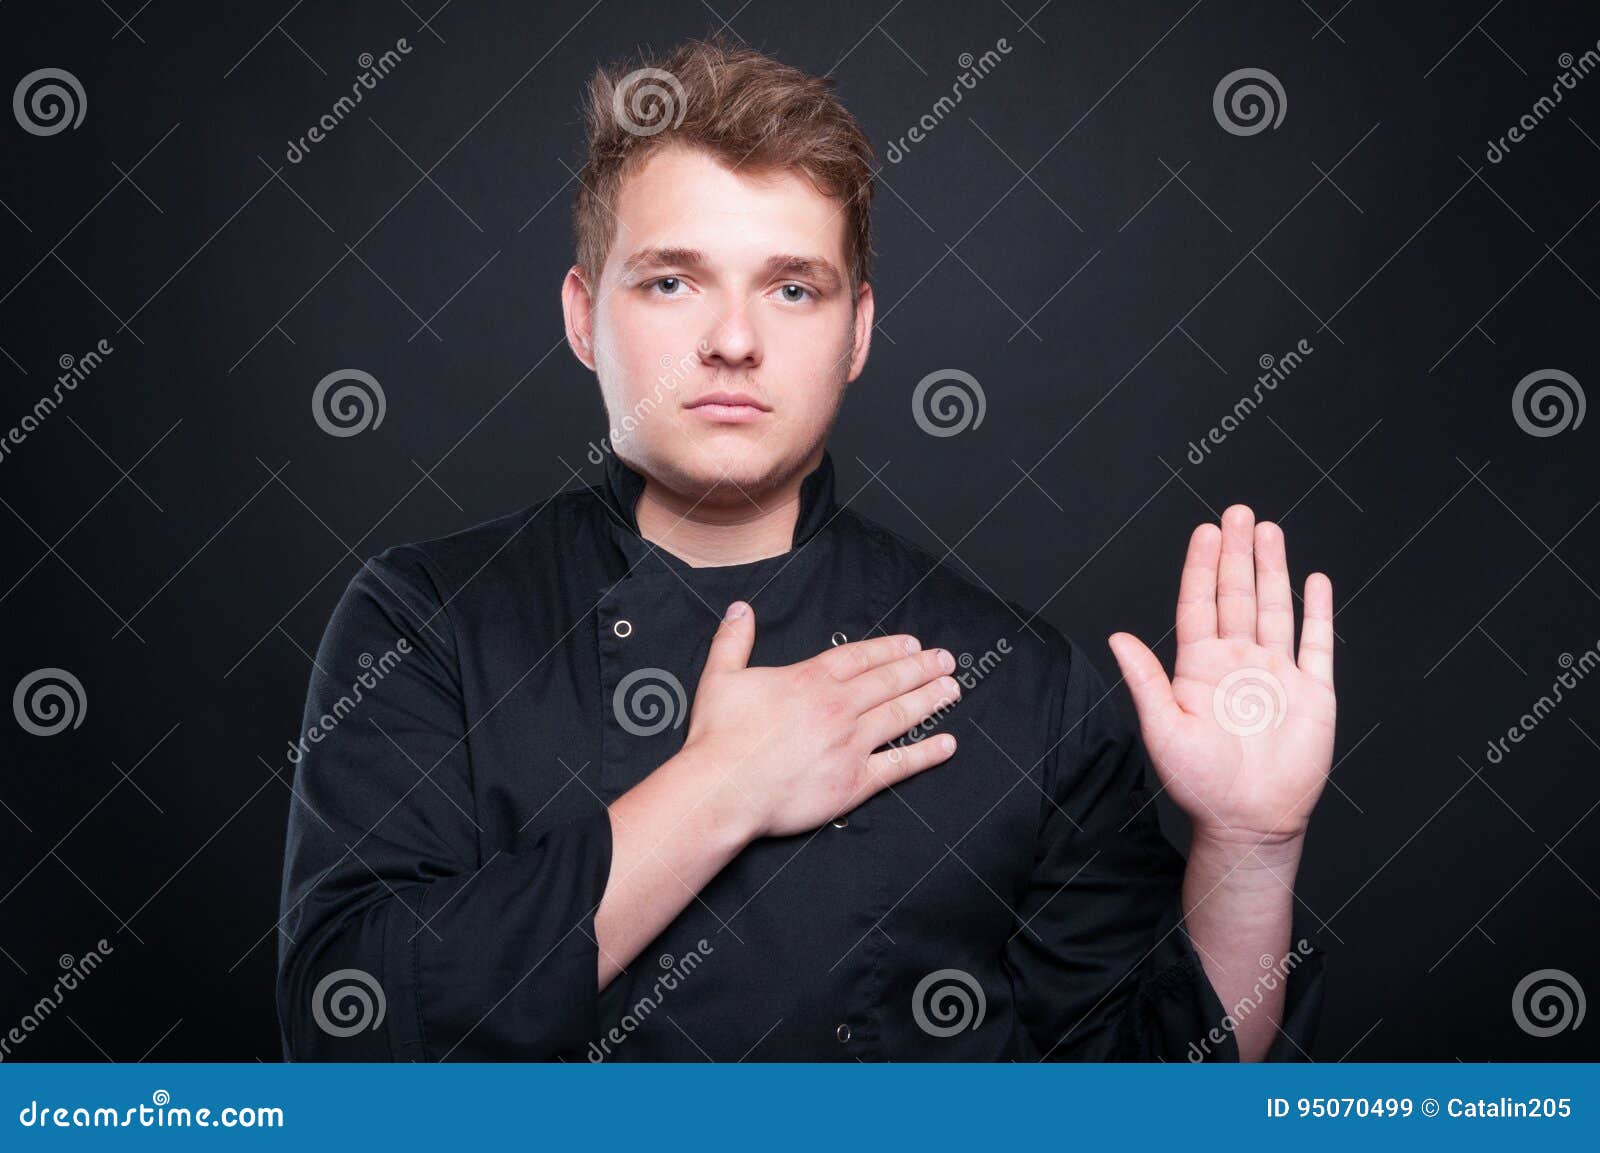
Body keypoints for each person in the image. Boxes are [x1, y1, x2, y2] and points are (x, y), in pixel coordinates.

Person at [276, 35, 1332, 1061]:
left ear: (858, 331)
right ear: (584, 317)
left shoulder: (1023, 687)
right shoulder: (428, 625)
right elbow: (348, 1033)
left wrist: (1249, 849)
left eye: (792, 288)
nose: (733, 340)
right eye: (670, 281)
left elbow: (1152, 1099)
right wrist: (723, 785)